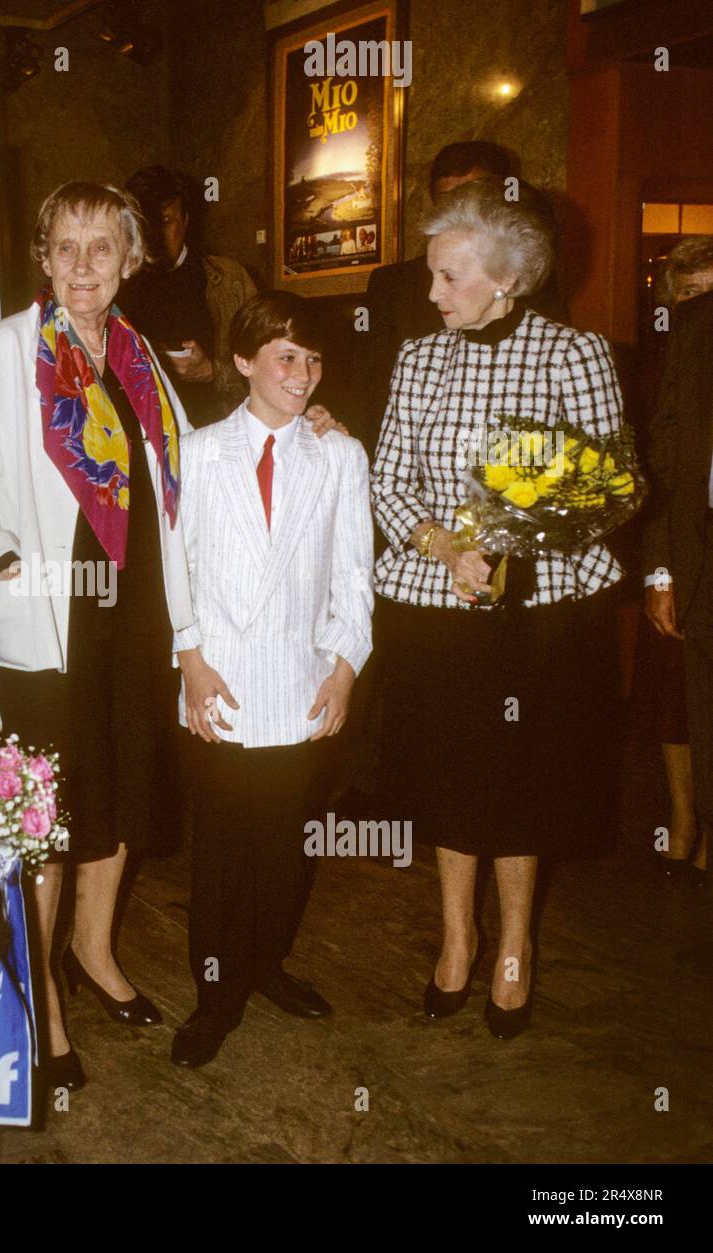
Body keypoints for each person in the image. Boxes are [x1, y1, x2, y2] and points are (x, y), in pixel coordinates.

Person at [0, 181, 192, 1092]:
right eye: (66, 247)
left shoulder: (139, 355)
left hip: (134, 609)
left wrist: (296, 421)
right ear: (43, 257)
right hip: (53, 617)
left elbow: (188, 469)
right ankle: (40, 993)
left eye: (103, 247)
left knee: (121, 785)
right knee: (47, 811)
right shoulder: (9, 352)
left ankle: (95, 950)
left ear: (130, 258)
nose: (84, 265)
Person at [371, 179, 628, 1041]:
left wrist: (511, 537)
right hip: (437, 602)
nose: (433, 293)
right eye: (434, 276)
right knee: (451, 775)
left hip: (541, 612)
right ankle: (457, 935)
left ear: (505, 278)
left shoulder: (572, 353)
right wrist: (448, 546)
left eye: (450, 277)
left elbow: (614, 487)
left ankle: (515, 943)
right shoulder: (417, 356)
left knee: (523, 780)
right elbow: (387, 480)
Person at [170, 291, 373, 1067]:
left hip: (301, 678)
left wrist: (347, 667)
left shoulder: (339, 456)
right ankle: (215, 994)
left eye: (314, 359)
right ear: (245, 361)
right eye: (287, 356)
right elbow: (173, 570)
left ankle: (266, 964)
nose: (304, 374)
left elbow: (355, 577)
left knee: (288, 845)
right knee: (222, 848)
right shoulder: (197, 451)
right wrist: (188, 660)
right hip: (215, 679)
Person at [355, 142, 566, 450]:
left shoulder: (529, 284)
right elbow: (370, 389)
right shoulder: (393, 285)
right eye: (448, 200)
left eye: (473, 197)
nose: (462, 211)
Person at [633, 238, 713, 887]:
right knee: (675, 699)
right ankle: (685, 823)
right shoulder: (664, 368)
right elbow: (654, 469)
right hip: (684, 555)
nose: (702, 310)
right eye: (691, 297)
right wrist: (659, 571)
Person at [123, 165, 257, 428]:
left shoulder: (229, 279)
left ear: (185, 220)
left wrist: (212, 372)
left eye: (165, 221)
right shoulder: (117, 285)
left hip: (219, 430)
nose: (155, 236)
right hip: (145, 435)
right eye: (145, 224)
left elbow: (269, 364)